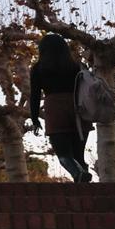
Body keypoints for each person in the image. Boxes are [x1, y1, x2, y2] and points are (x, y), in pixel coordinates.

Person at [27, 32, 92, 183]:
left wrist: (35, 118)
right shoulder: (75, 66)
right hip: (77, 108)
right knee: (79, 154)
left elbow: (35, 95)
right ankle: (86, 188)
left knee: (63, 154)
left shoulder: (38, 68)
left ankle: (78, 174)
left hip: (55, 108)